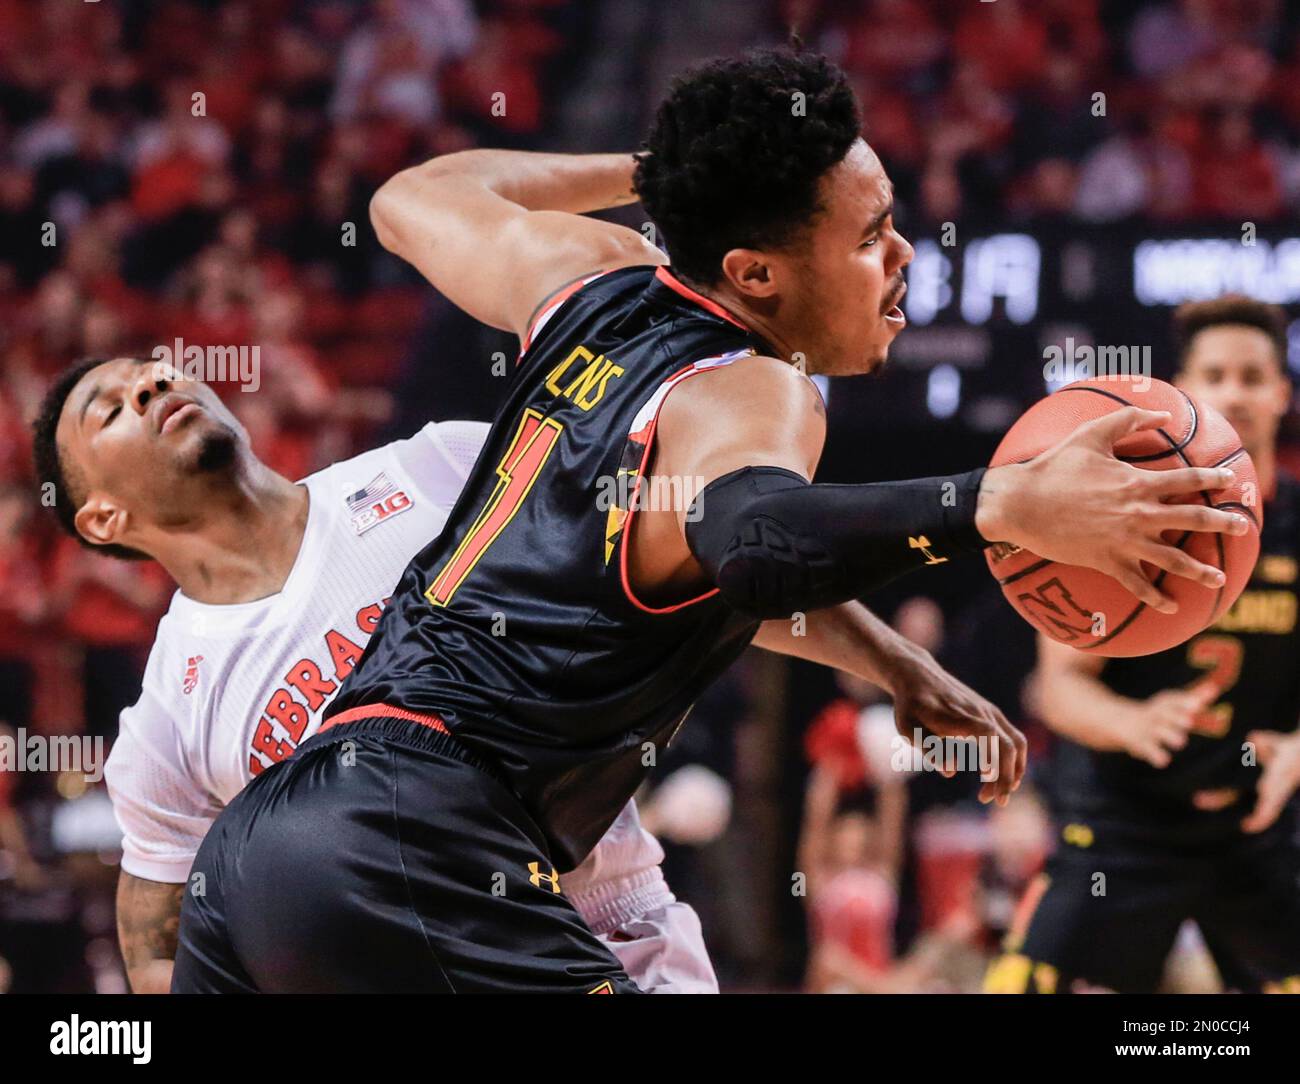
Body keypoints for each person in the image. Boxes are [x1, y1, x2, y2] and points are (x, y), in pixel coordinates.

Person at [171, 48, 1246, 993]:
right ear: (755, 274)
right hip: (425, 847)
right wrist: (997, 500)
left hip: (268, 850)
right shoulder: (751, 389)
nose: (905, 255)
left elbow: (415, 196)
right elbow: (755, 539)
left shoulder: (585, 281)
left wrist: (901, 670)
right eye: (872, 236)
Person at [31, 355, 716, 994]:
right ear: (103, 518)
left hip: (611, 922)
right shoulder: (164, 727)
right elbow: (157, 953)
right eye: (109, 409)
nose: (152, 383)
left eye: (154, 367)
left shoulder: (437, 467)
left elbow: (672, 552)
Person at [987, 294, 1300, 994]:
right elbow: (1060, 687)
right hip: (1123, 824)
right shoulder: (1123, 514)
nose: (1236, 393)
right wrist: (1134, 722)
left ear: (1283, 391)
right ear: (1184, 393)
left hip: (1261, 825)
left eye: (1253, 377)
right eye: (1215, 376)